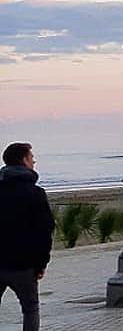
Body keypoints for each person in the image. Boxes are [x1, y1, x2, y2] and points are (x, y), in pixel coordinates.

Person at [0, 142, 54, 331]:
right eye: (32, 158)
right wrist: (41, 264)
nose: (33, 162)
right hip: (23, 265)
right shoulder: (35, 193)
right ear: (24, 160)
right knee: (30, 310)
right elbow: (44, 231)